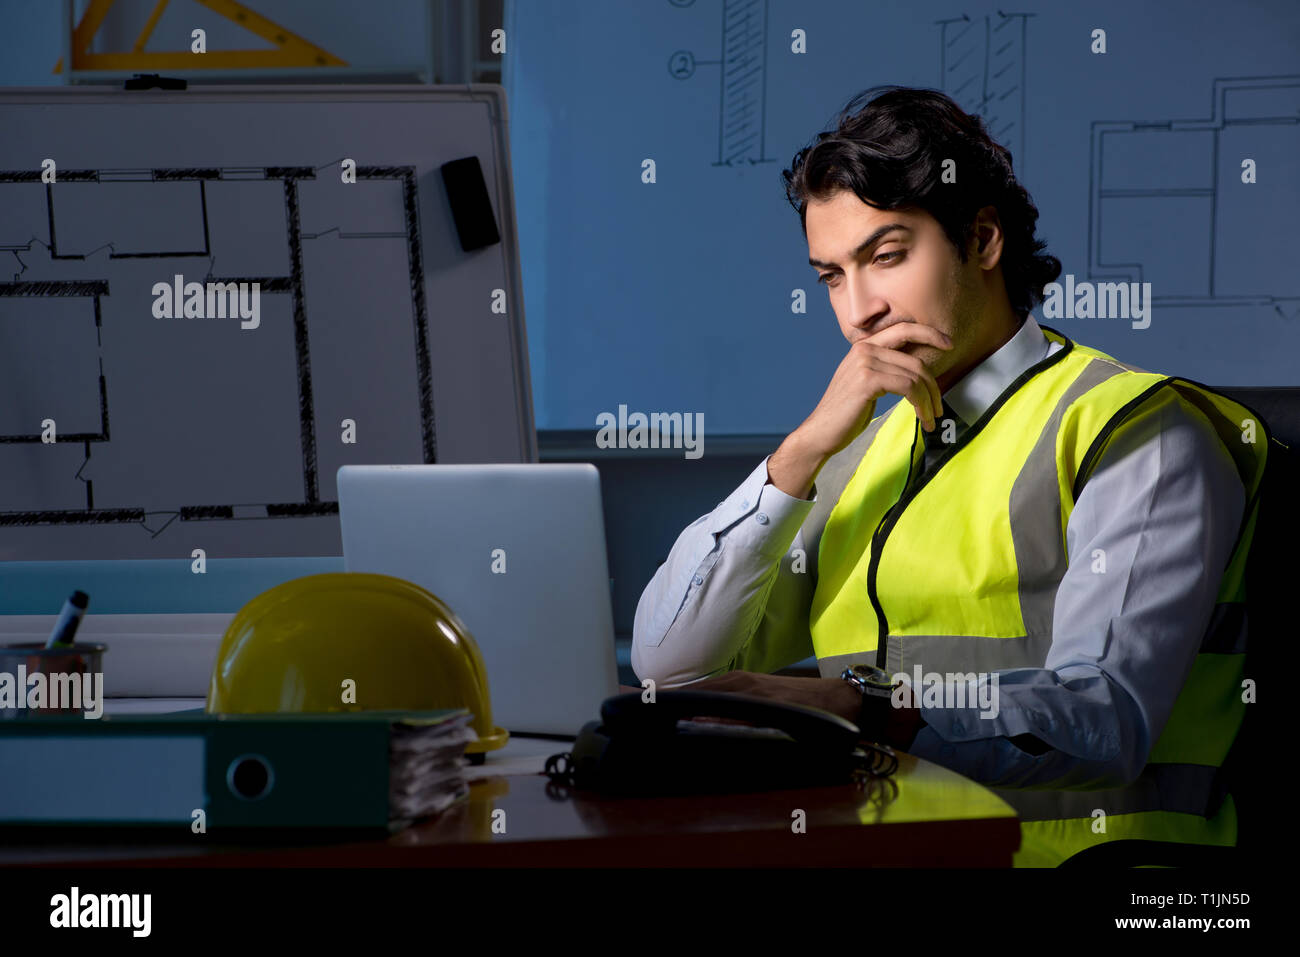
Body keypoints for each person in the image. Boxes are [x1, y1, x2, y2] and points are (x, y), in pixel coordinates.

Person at [631, 87, 1271, 867]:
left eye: (887, 255)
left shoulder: (1135, 429)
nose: (860, 309)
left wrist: (862, 708)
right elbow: (671, 665)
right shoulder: (860, 453)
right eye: (832, 275)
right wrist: (799, 453)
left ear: (984, 238)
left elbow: (1103, 718)